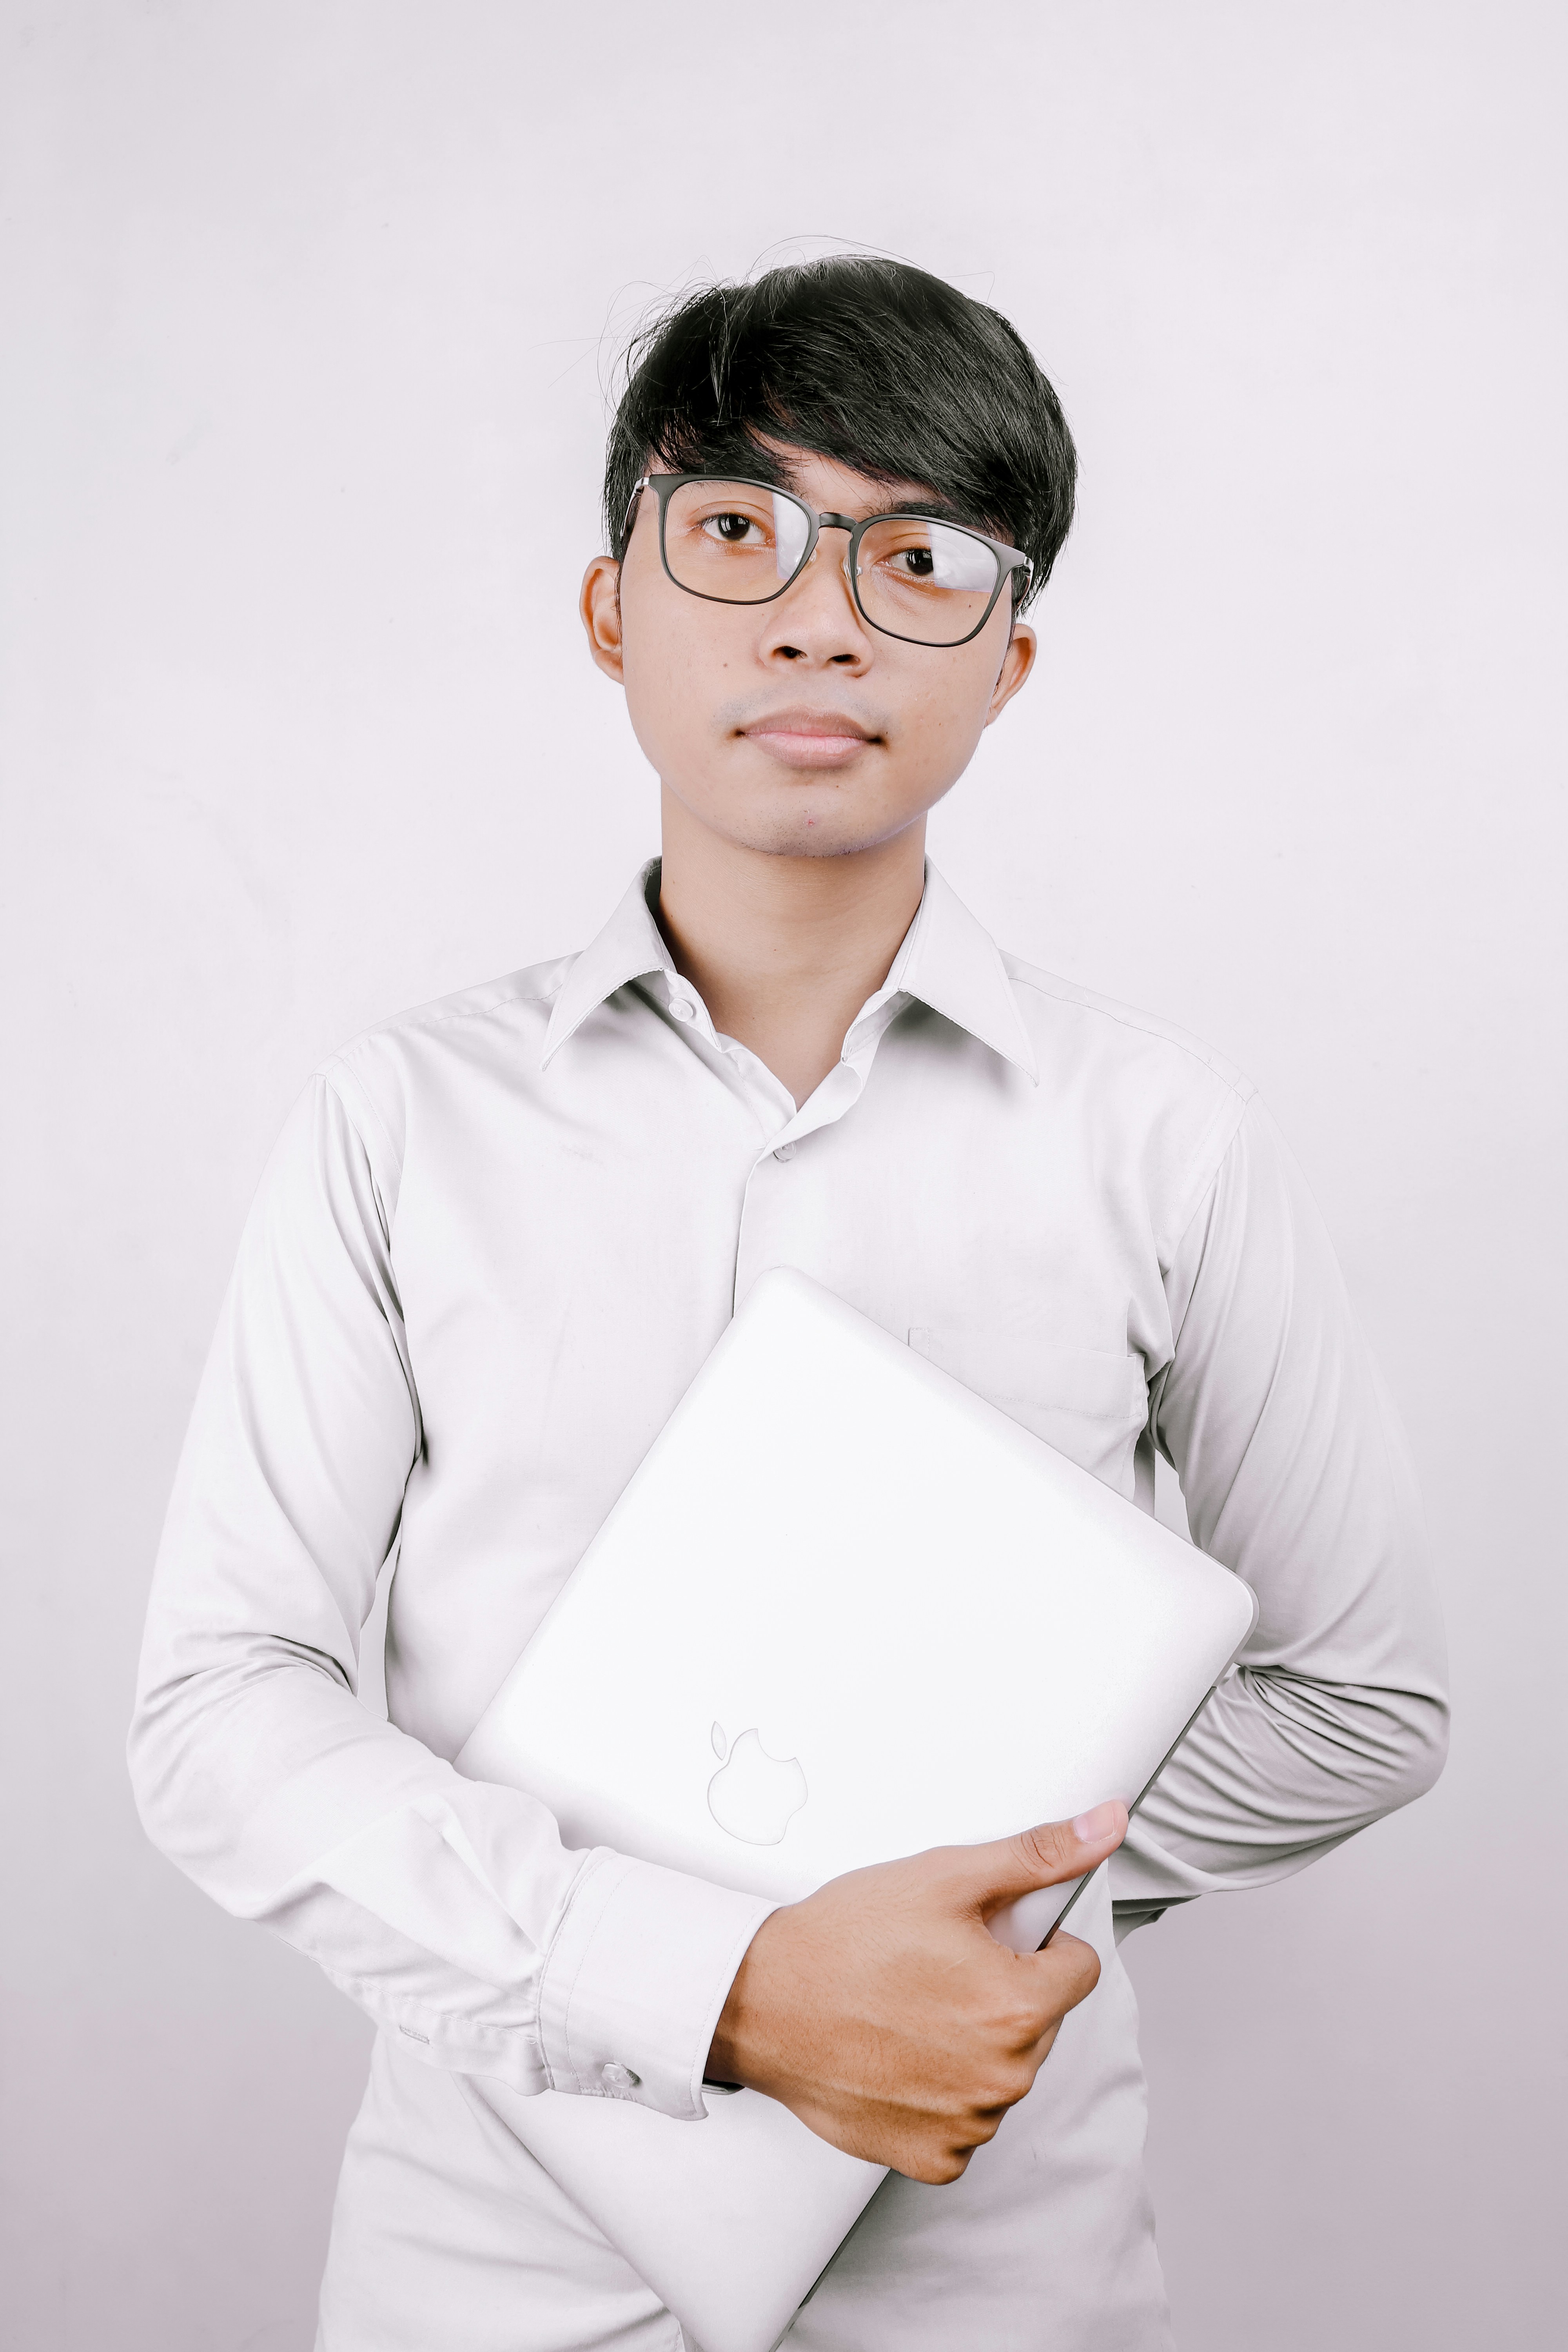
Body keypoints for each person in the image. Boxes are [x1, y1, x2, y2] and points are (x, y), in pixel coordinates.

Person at [129, 257, 1448, 2351]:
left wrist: (977, 1903)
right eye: (737, 529)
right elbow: (225, 1705)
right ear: (610, 610)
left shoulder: (1166, 1135)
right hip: (484, 2282)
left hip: (1004, 2296)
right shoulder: (397, 1123)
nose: (822, 613)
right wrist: (714, 1981)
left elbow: (1359, 1702)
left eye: (919, 555)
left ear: (1013, 658)